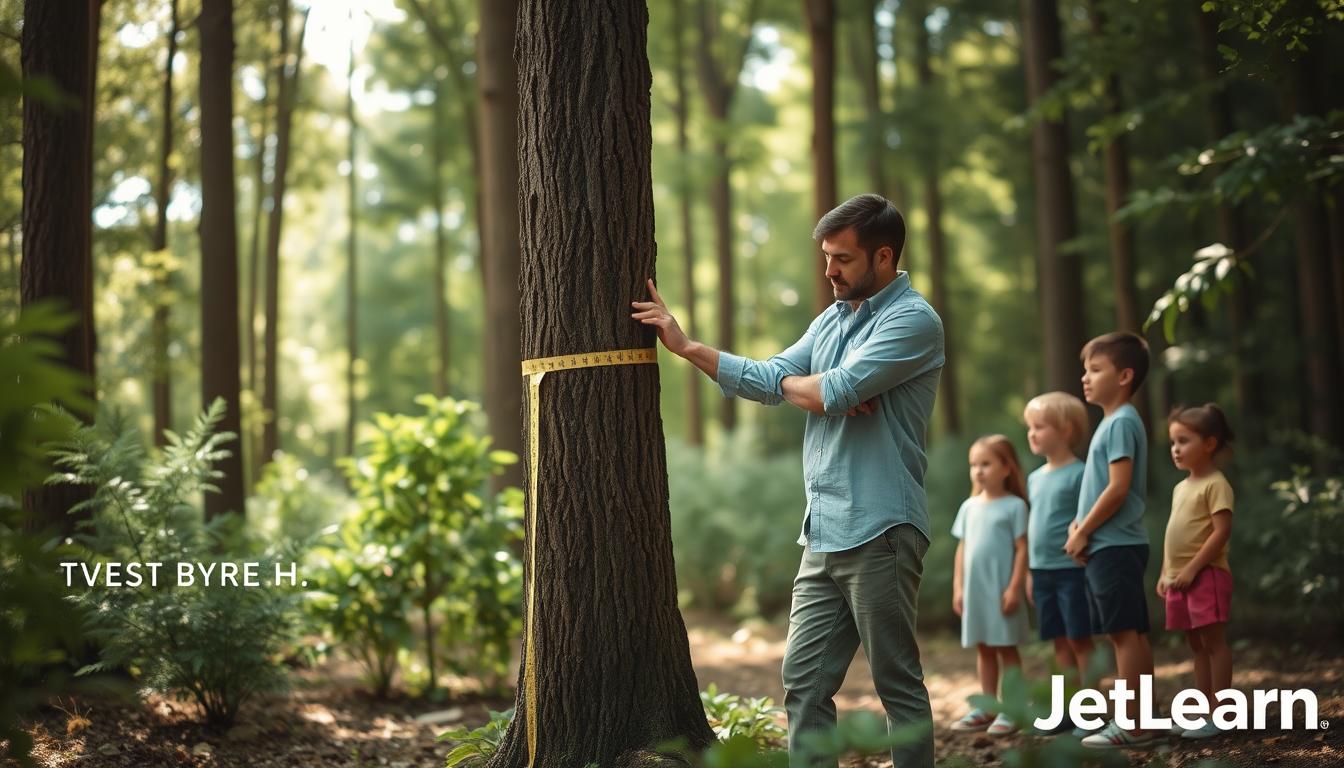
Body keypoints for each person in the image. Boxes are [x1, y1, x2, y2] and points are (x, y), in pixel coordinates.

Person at [631, 194, 943, 768]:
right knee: (803, 680)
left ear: (883, 256)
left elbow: (828, 393)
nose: (829, 271)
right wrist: (687, 345)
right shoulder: (830, 319)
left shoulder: (913, 320)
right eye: (826, 256)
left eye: (843, 259)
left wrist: (824, 390)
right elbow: (782, 377)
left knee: (896, 683)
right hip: (822, 531)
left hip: (882, 529)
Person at [1063, 331, 1160, 749]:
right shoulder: (1113, 422)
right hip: (1113, 543)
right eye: (1085, 369)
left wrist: (1084, 531)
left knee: (1122, 634)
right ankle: (1144, 718)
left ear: (1124, 376)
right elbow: (1102, 485)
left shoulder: (1120, 421)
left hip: (1114, 544)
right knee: (1131, 633)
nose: (1085, 377)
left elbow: (1118, 488)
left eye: (1096, 369)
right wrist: (1079, 526)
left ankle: (1133, 724)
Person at [1158, 403, 1236, 740]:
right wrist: (1166, 571)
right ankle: (1204, 711)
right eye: (1173, 442)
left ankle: (1222, 713)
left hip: (1207, 576)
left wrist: (1191, 568)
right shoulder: (1180, 487)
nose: (1175, 448)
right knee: (1196, 645)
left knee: (1213, 642)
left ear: (1209, 444)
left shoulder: (1216, 484)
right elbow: (1172, 532)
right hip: (1180, 579)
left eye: (1183, 440)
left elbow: (1221, 532)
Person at [1022, 392, 1095, 733]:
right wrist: (1028, 573)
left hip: (1071, 571)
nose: (1032, 434)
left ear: (1066, 430)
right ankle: (1065, 710)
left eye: (1040, 427)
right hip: (1041, 571)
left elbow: (1086, 520)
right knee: (1057, 641)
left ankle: (1090, 711)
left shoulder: (1081, 474)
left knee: (1080, 638)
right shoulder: (1035, 478)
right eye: (1029, 428)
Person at [949, 435, 1030, 737]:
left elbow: (1022, 548)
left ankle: (1013, 709)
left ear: (1006, 468)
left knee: (1006, 648)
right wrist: (958, 588)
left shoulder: (1015, 506)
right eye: (973, 465)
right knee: (983, 647)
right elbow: (963, 548)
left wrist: (1014, 587)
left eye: (986, 463)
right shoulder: (969, 507)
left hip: (1001, 589)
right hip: (975, 590)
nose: (978, 471)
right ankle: (986, 706)